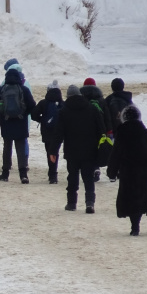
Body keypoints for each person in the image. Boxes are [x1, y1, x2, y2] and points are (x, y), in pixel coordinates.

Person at [106, 105, 147, 236]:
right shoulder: (145, 132)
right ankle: (137, 223)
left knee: (130, 197)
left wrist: (112, 172)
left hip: (128, 172)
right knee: (141, 196)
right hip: (145, 171)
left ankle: (134, 226)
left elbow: (116, 153)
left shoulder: (121, 132)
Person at [52, 85, 105, 213]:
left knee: (73, 177)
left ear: (68, 97)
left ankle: (71, 203)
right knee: (88, 177)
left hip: (72, 151)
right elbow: (101, 130)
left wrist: (53, 151)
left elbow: (59, 133)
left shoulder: (64, 111)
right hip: (90, 151)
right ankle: (90, 203)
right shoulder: (92, 109)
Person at [0, 67, 36, 183]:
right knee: (21, 148)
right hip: (20, 123)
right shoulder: (24, 90)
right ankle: (23, 175)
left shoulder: (2, 90)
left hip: (6, 122)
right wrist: (24, 114)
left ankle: (5, 173)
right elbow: (32, 106)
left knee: (7, 148)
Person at [80, 77, 113, 182]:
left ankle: (90, 168)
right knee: (97, 148)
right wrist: (109, 130)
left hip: (85, 129)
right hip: (100, 129)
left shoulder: (82, 100)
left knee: (87, 150)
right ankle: (96, 167)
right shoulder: (101, 100)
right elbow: (107, 117)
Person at [31, 80, 64, 184]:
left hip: (47, 131)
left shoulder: (43, 103)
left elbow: (33, 115)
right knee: (56, 151)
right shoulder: (63, 103)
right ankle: (53, 174)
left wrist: (42, 120)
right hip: (59, 131)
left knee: (49, 151)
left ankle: (52, 174)